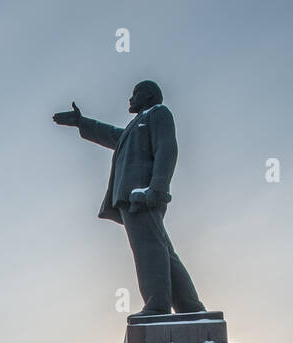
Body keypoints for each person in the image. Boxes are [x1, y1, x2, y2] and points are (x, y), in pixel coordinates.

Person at [53, 81, 206, 317]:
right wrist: (81, 123)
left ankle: (157, 306)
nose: (130, 98)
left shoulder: (158, 114)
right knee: (163, 251)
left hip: (142, 196)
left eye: (135, 93)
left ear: (149, 96)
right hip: (132, 197)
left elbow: (167, 148)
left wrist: (156, 189)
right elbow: (114, 135)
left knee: (148, 250)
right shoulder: (135, 127)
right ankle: (191, 308)